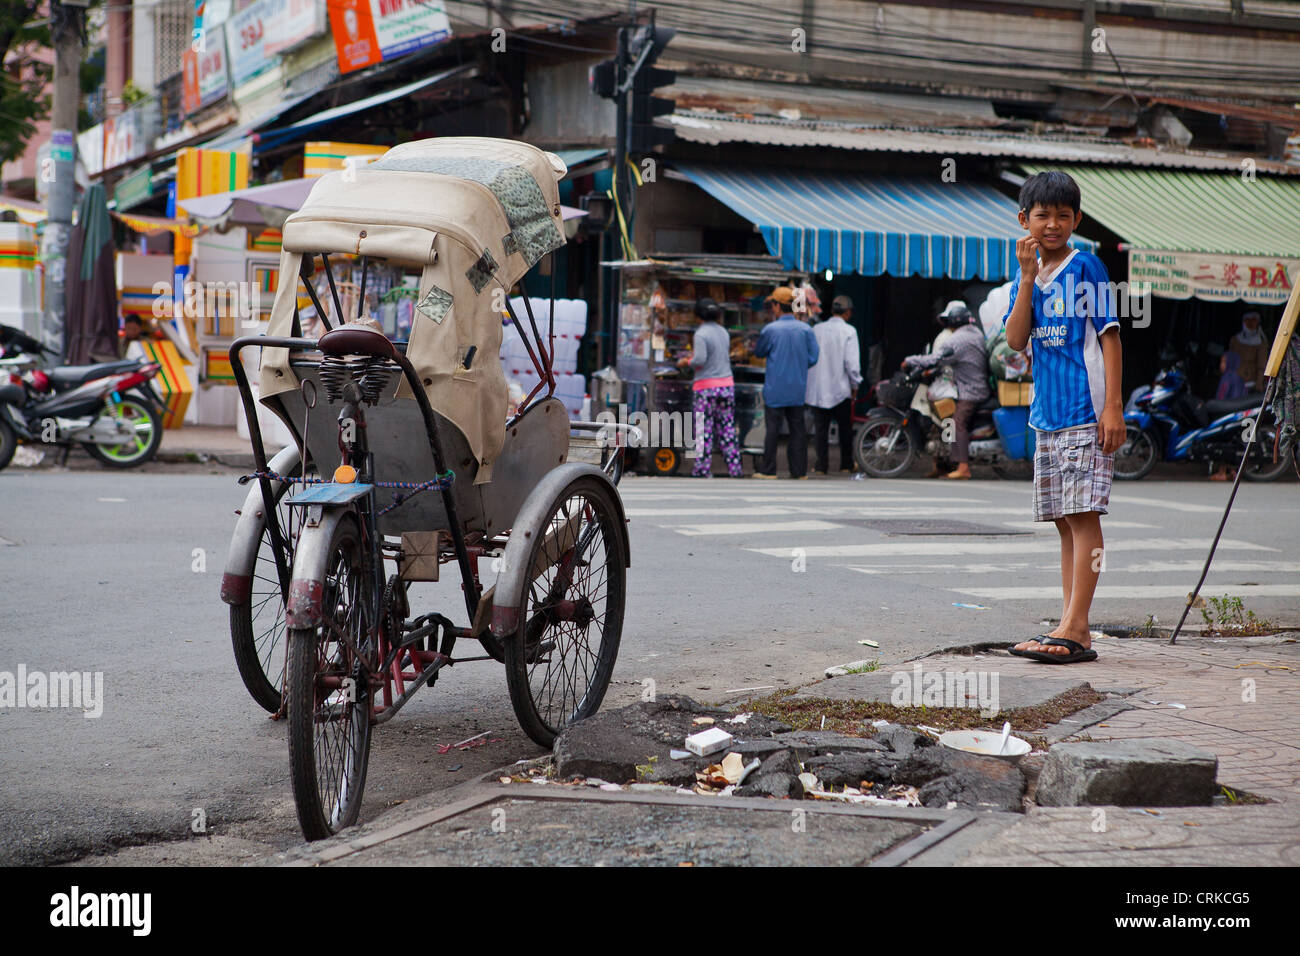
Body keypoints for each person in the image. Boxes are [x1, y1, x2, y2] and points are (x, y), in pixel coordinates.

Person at [1003, 170, 1124, 665]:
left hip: (1084, 411)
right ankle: (1069, 621)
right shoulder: (1025, 274)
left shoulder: (1087, 266)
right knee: (1063, 522)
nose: (1051, 224)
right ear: (1024, 220)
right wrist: (1028, 278)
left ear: (1076, 219)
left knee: (1083, 515)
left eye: (1061, 215)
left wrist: (1112, 407)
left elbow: (1110, 337)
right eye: (1041, 215)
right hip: (1046, 416)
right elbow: (1014, 339)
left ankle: (1078, 626)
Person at [902, 301, 990, 480]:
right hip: (969, 385)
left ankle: (963, 467)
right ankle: (948, 464)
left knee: (956, 422)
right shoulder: (974, 332)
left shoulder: (959, 338)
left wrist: (910, 360)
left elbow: (936, 358)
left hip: (971, 389)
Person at [753, 286, 819, 479]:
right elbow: (813, 357)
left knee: (773, 429)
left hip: (775, 388)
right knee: (797, 431)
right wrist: (798, 366)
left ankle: (769, 469)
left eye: (772, 305)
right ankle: (798, 471)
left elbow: (759, 352)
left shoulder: (770, 330)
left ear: (777, 306)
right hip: (797, 388)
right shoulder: (806, 330)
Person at [678, 297, 744, 478]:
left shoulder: (701, 334)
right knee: (727, 429)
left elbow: (699, 360)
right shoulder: (723, 331)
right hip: (726, 386)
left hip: (705, 387)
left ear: (698, 315)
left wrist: (685, 361)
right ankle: (735, 468)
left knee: (703, 430)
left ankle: (702, 469)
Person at [806, 294, 862, 474]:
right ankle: (846, 464)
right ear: (848, 313)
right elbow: (852, 364)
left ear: (831, 311)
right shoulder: (849, 332)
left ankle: (821, 465)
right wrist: (856, 385)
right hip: (840, 388)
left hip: (820, 388)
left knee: (820, 429)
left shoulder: (817, 329)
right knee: (845, 428)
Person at [1229, 311, 1269, 392]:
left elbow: (1262, 365)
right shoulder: (1235, 340)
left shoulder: (1261, 343)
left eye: (1253, 320)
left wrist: (1259, 383)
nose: (1250, 323)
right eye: (1247, 319)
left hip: (1251, 383)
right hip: (1234, 380)